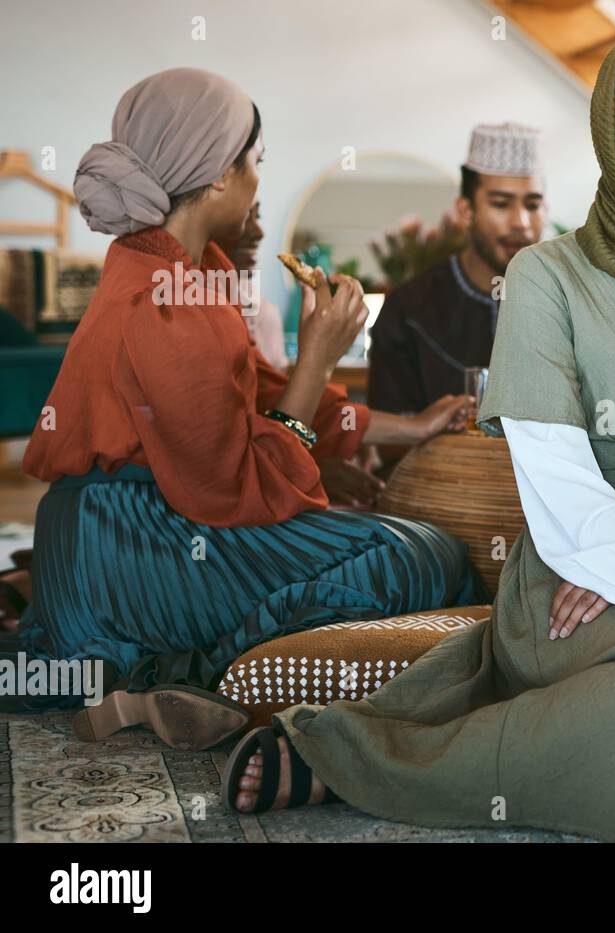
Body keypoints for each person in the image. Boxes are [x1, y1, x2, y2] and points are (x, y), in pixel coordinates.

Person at [223, 22, 615, 841]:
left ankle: (487, 741)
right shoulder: (546, 276)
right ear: (611, 121)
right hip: (566, 587)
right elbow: (559, 482)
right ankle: (359, 758)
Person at [15, 68, 484, 745]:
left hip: (114, 533)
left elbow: (265, 394)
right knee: (422, 558)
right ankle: (183, 673)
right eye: (255, 163)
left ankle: (183, 668)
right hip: (131, 546)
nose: (259, 182)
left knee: (412, 545)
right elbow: (237, 490)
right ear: (216, 176)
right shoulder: (164, 297)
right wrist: (321, 353)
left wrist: (411, 423)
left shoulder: (178, 266)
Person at [367, 123, 546, 470]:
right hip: (436, 502)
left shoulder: (567, 304)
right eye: (500, 204)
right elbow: (388, 446)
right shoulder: (410, 308)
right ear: (466, 211)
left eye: (533, 204)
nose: (521, 222)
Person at [214, 202, 387, 509]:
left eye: (259, 216)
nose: (257, 232)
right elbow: (241, 472)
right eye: (243, 216)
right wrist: (318, 360)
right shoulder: (194, 313)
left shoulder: (257, 311)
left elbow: (273, 401)